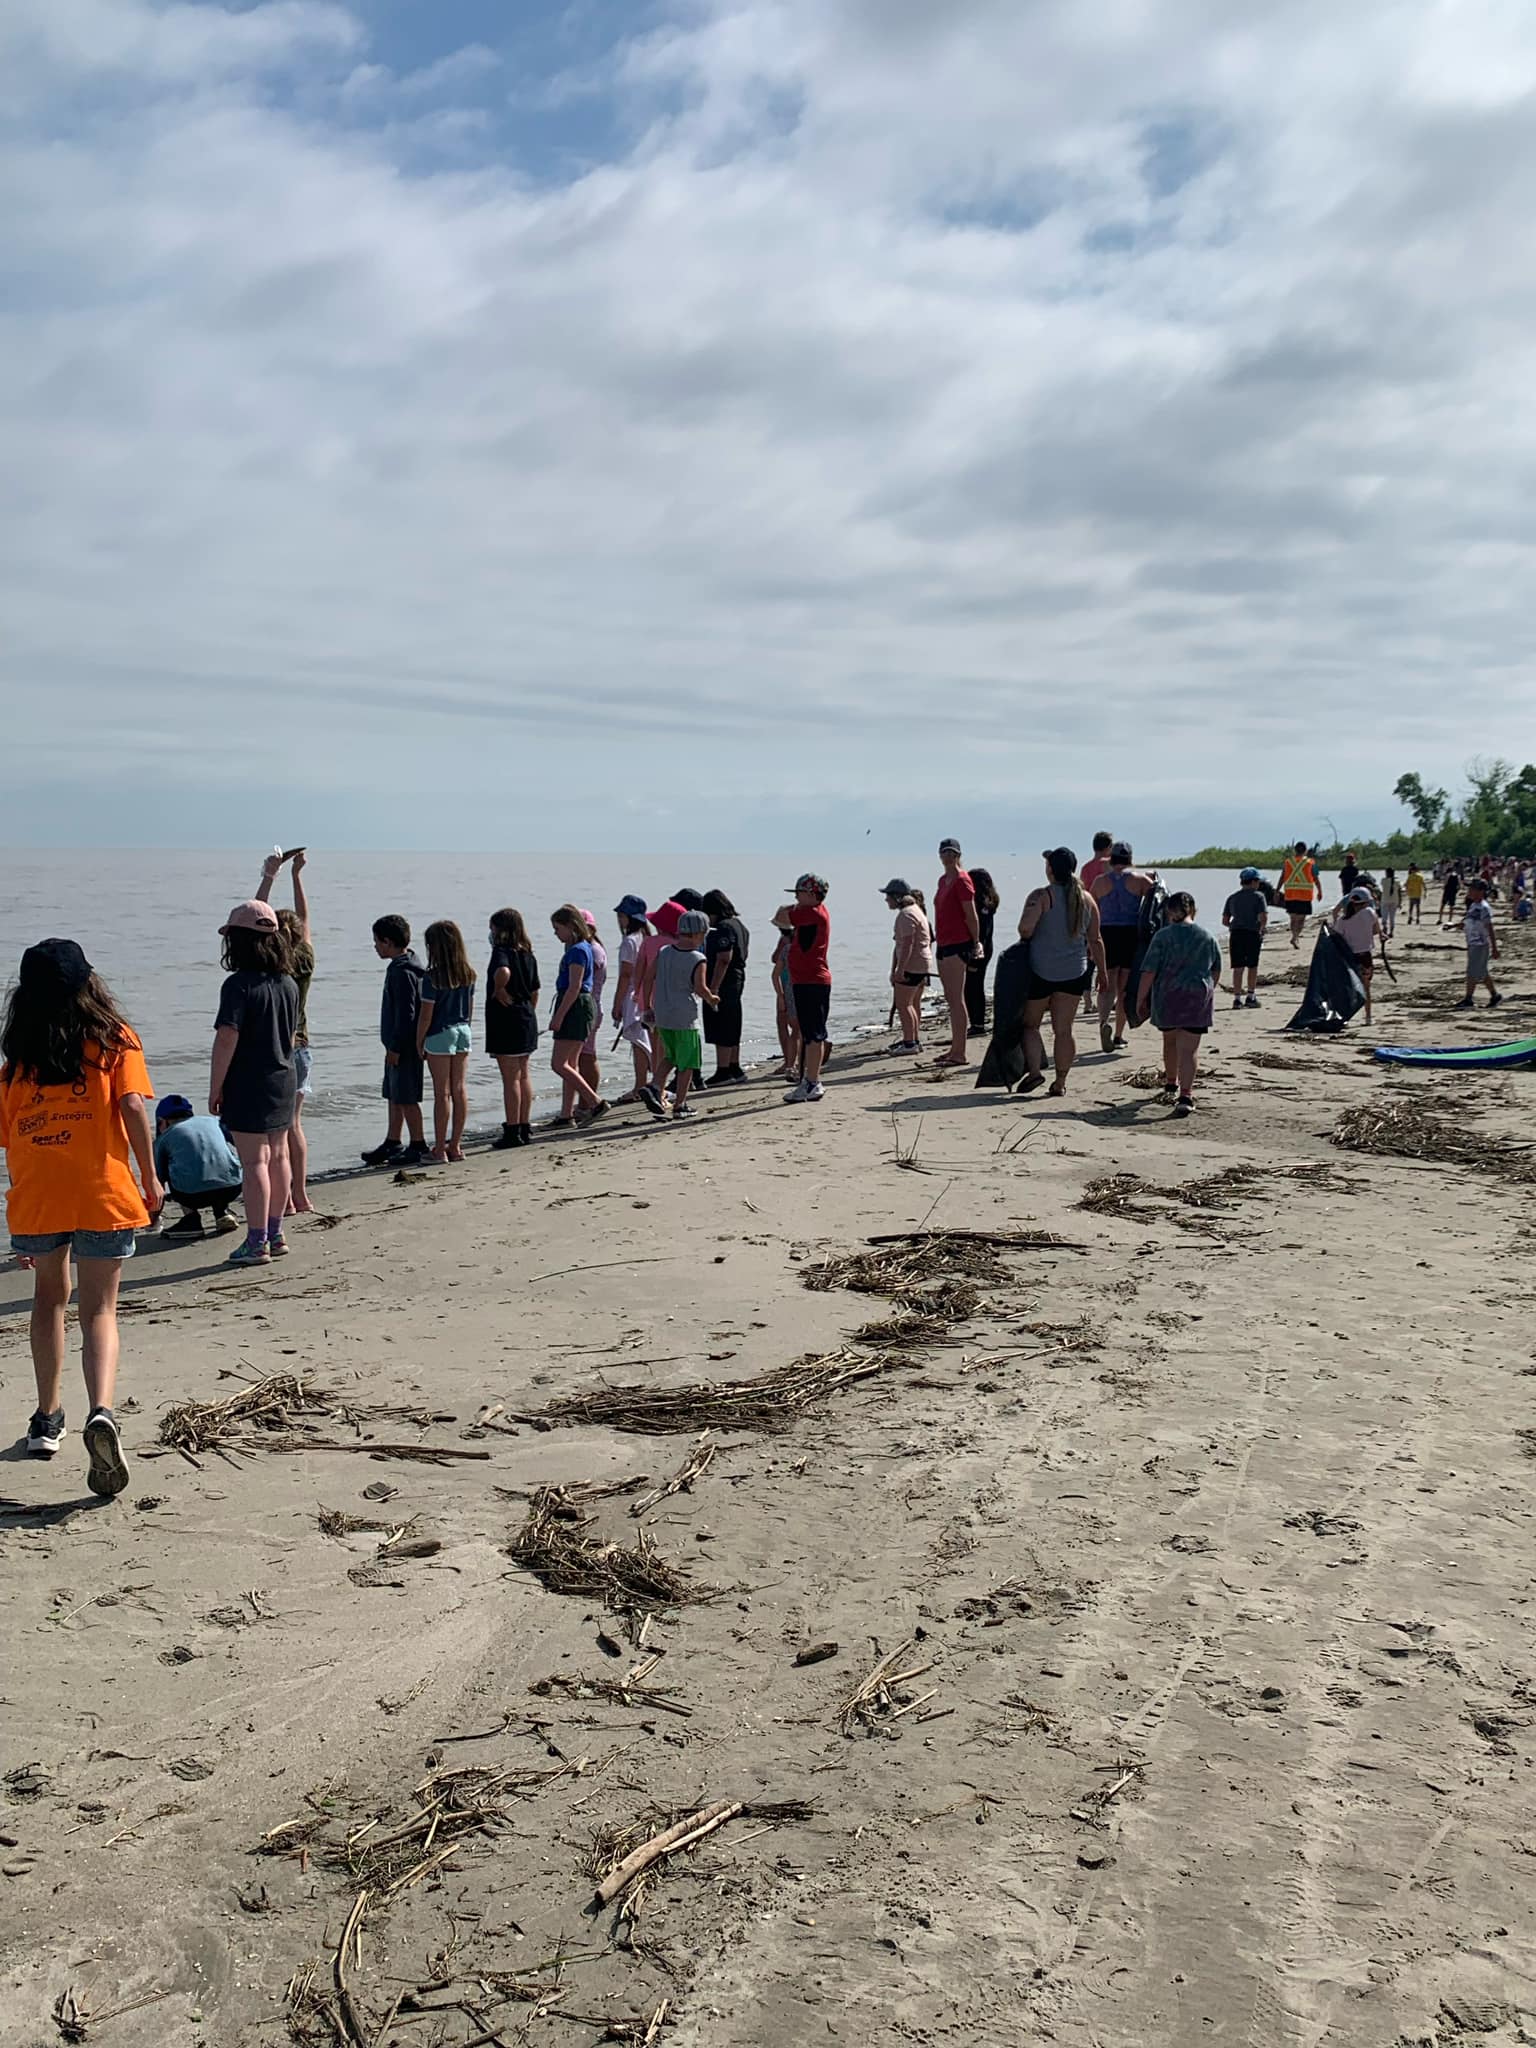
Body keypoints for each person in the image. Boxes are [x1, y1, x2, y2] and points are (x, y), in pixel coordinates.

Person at [0, 939, 162, 1494]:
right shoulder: (116, 1040)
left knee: (49, 1299)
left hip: (40, 1195)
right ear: (87, 986)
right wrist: (149, 1177)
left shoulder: (16, 1059)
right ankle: (102, 1412)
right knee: (99, 1308)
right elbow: (134, 1107)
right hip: (103, 1191)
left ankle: (47, 1420)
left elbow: (9, 1138)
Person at [211, 900, 299, 1264]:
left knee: (253, 1163)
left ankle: (256, 1240)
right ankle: (275, 1232)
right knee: (278, 1155)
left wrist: (216, 1086)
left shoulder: (238, 986)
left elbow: (227, 1036)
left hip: (249, 1080)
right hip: (283, 1076)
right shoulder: (288, 983)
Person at [1016, 848, 1107, 1097]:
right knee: (1064, 1030)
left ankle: (1035, 1072)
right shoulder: (1086, 899)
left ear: (1050, 870)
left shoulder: (1042, 896)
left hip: (1041, 971)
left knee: (1030, 1025)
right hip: (1074, 972)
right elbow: (1096, 939)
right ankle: (1060, 1081)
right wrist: (1103, 972)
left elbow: (1025, 929)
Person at [255, 848, 314, 1214]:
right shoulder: (305, 959)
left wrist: (269, 877)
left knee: (274, 1131)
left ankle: (286, 1199)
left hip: (276, 1048)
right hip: (303, 1044)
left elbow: (252, 921)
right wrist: (296, 876)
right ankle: (301, 1194)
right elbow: (304, 919)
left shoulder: (271, 965)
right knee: (294, 1124)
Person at [1134, 892, 1221, 1118]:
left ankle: (1171, 1082)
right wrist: (1209, 989)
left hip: (1168, 997)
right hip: (1197, 997)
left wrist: (1140, 998)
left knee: (1170, 1041)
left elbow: (1149, 970)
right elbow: (1216, 969)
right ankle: (1186, 1094)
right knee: (1189, 1049)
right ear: (1193, 910)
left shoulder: (1163, 937)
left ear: (1170, 912)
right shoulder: (1207, 936)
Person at [363, 916, 428, 1168]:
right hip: (395, 1042)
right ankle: (393, 1139)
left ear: (388, 942)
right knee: (393, 1093)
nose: (376, 947)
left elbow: (407, 1013)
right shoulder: (407, 964)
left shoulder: (402, 971)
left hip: (403, 1045)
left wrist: (396, 1047)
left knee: (406, 1096)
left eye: (377, 942)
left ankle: (418, 1143)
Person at [644, 908, 716, 1118]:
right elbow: (700, 988)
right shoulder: (698, 958)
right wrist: (712, 999)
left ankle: (655, 1085)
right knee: (688, 1063)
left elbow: (649, 977)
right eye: (704, 935)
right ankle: (680, 1104)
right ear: (697, 934)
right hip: (685, 1017)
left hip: (663, 1015)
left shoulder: (664, 951)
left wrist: (648, 1005)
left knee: (671, 1055)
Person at [416, 920, 475, 1162]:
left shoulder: (432, 978)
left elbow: (426, 1015)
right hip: (463, 1030)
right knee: (459, 1088)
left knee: (442, 1093)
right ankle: (456, 1145)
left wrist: (419, 1041)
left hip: (440, 1032)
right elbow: (470, 1010)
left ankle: (440, 1148)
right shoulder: (468, 974)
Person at [1090, 842, 1156, 1051]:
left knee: (1106, 984)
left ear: (1111, 858)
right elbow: (1157, 900)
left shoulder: (1100, 882)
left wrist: (1089, 943)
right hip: (1130, 934)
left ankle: (1103, 1022)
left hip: (1107, 934)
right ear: (1129, 859)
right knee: (1124, 989)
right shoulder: (1139, 880)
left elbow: (1092, 912)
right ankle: (1118, 1035)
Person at [774, 874, 832, 1104]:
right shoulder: (810, 912)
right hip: (805, 980)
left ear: (810, 894)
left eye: (799, 893)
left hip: (812, 981)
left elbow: (780, 915)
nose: (796, 897)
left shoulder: (811, 913)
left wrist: (794, 906)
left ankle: (811, 1081)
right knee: (809, 1033)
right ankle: (809, 1079)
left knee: (813, 1034)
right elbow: (781, 919)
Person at [548, 905, 609, 1126]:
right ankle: (566, 1114)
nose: (555, 933)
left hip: (575, 1006)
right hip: (581, 1005)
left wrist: (559, 1017)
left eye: (557, 928)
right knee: (571, 1064)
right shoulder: (582, 948)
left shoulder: (577, 951)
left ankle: (595, 1101)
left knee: (558, 1063)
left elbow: (575, 986)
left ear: (571, 927)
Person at [486, 907, 539, 1148]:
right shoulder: (528, 953)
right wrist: (529, 1010)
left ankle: (513, 1129)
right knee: (524, 1074)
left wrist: (499, 989)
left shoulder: (502, 952)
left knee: (510, 1079)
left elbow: (503, 971)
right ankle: (525, 1125)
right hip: (526, 1015)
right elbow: (535, 989)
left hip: (506, 1019)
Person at [154, 1094, 242, 1236]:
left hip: (192, 1196)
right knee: (214, 1158)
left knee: (171, 1166)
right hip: (233, 1187)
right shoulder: (213, 1122)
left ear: (161, 1122)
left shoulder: (164, 1138)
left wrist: (154, 1219)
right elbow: (240, 1143)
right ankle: (221, 1213)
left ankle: (191, 1219)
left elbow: (158, 1180)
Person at [932, 838, 981, 1068]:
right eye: (944, 852)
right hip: (943, 942)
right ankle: (955, 1048)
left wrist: (976, 941)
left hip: (958, 943)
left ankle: (959, 1052)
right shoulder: (943, 880)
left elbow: (971, 914)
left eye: (951, 853)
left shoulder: (962, 880)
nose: (947, 856)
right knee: (951, 998)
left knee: (955, 998)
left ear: (958, 855)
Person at [701, 890, 750, 1086]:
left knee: (721, 1021)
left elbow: (723, 958)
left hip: (724, 980)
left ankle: (723, 1070)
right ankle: (734, 1065)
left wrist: (713, 988)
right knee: (733, 1019)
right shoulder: (739, 925)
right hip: (737, 977)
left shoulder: (722, 928)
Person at [610, 896, 655, 1103]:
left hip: (632, 994)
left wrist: (617, 1003)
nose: (619, 921)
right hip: (646, 992)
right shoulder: (646, 937)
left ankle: (640, 1085)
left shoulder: (630, 941)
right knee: (647, 1039)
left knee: (638, 1042)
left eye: (621, 916)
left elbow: (625, 974)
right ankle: (648, 1082)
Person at [883, 879, 933, 1054]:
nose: (886, 900)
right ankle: (912, 1039)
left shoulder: (906, 915)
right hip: (922, 963)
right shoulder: (916, 911)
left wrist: (900, 969)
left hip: (913, 965)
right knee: (909, 1004)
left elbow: (907, 944)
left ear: (897, 897)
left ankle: (910, 1042)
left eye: (888, 896)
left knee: (904, 1004)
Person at [1330, 887, 1381, 1026]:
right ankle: (1368, 1017)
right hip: (1365, 957)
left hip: (1349, 958)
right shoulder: (1369, 913)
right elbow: (1376, 931)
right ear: (1365, 903)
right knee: (1365, 988)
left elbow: (1337, 938)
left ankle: (1342, 1016)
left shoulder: (1342, 920)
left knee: (1346, 988)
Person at [1222, 868, 1268, 1008]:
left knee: (1238, 967)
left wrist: (1231, 926)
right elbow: (1263, 916)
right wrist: (1262, 928)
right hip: (1252, 933)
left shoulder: (1233, 897)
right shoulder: (1259, 896)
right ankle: (1250, 996)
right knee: (1252, 966)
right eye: (1258, 881)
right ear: (1253, 882)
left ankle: (1237, 998)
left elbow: (1225, 920)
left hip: (1236, 933)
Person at [1080, 832, 1115, 1016]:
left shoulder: (1086, 868)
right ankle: (1110, 995)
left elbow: (1083, 892)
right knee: (1109, 960)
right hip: (1108, 917)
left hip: (1089, 915)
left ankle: (1087, 1001)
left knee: (1089, 960)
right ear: (1108, 846)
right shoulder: (1109, 865)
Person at [575, 910, 607, 1103]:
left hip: (590, 1006)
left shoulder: (592, 950)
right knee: (583, 1056)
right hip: (592, 1005)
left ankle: (588, 1102)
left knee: (586, 1056)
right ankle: (584, 1101)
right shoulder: (590, 948)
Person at [1454, 879, 1502, 1008]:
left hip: (1480, 944)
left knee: (1472, 971)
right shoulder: (1473, 905)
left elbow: (1489, 928)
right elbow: (1470, 922)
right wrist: (1459, 925)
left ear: (1481, 892)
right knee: (1481, 972)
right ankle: (1494, 995)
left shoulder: (1483, 907)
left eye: (1472, 889)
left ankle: (1468, 998)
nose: (1470, 891)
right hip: (1473, 942)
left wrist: (1494, 948)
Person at [964, 868, 1000, 1036]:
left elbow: (983, 931)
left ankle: (977, 1023)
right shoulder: (988, 901)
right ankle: (976, 1021)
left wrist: (975, 951)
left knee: (973, 986)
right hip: (985, 947)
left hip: (980, 949)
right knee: (974, 985)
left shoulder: (981, 903)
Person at [1278, 841, 1323, 947]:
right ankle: (1296, 937)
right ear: (1305, 850)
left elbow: (1282, 877)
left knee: (1293, 918)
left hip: (1290, 894)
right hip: (1305, 896)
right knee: (1301, 919)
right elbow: (1316, 878)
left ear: (1295, 850)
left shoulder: (1288, 862)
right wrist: (1320, 891)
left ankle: (1294, 936)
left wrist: (1276, 891)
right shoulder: (1311, 863)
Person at [771, 927, 801, 1081]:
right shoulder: (791, 949)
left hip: (791, 993)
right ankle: (795, 1066)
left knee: (795, 1031)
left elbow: (775, 974)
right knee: (799, 1031)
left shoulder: (787, 948)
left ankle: (791, 1065)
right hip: (801, 993)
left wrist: (781, 995)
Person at [1379, 866, 1402, 940]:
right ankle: (1391, 932)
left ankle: (1385, 927)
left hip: (1385, 900)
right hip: (1394, 900)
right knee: (1392, 917)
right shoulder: (1397, 881)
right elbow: (1399, 892)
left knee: (1384, 916)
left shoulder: (1383, 880)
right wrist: (1400, 902)